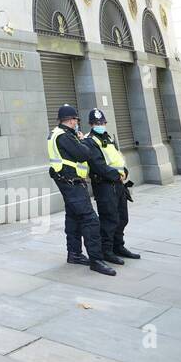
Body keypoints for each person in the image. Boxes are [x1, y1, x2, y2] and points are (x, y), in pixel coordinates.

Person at [48, 104, 122, 276]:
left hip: (69, 181)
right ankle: (96, 260)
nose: (76, 123)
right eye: (75, 120)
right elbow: (84, 154)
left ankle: (74, 254)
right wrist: (81, 141)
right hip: (71, 182)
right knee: (91, 220)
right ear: (71, 120)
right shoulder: (65, 137)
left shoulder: (59, 134)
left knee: (73, 218)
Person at [83, 108, 140, 264]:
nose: (99, 124)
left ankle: (118, 247)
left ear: (105, 123)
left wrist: (125, 172)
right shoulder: (89, 141)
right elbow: (98, 165)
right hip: (105, 186)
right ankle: (106, 251)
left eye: (101, 122)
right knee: (109, 220)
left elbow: (118, 158)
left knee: (122, 218)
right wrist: (118, 175)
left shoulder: (108, 138)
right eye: (96, 123)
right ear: (90, 124)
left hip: (119, 184)